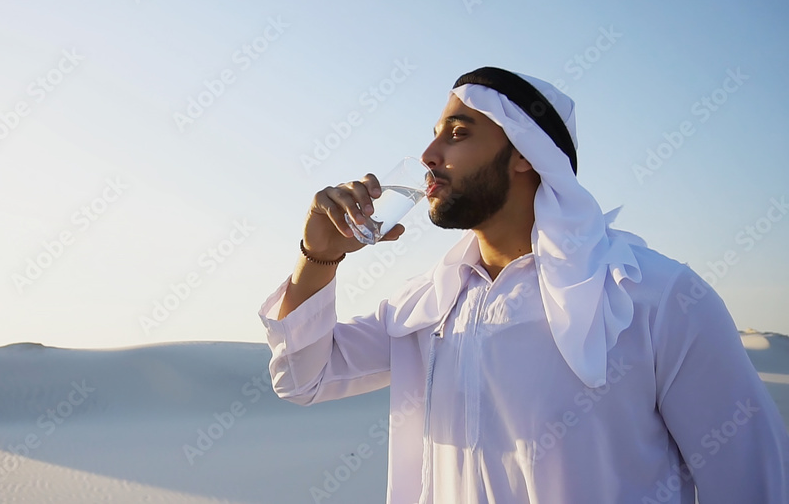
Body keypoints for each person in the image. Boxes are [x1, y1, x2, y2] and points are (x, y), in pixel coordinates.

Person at [256, 67, 789, 503]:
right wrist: (318, 258)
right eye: (436, 133)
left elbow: (751, 482)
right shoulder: (429, 303)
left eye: (457, 133)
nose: (428, 155)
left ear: (526, 156)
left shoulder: (653, 296)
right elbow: (305, 378)